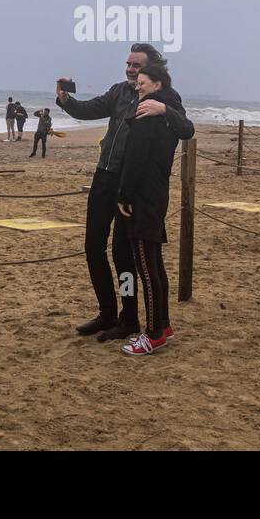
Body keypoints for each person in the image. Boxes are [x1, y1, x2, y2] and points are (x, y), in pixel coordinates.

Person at [57, 43, 194, 341]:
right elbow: (89, 109)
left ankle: (128, 317)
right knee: (93, 247)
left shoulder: (161, 97)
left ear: (151, 70)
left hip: (129, 186)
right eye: (129, 64)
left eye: (137, 66)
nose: (131, 70)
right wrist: (66, 99)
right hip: (104, 177)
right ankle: (106, 312)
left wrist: (164, 109)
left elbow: (185, 128)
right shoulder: (119, 91)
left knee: (123, 255)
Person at [117, 61, 181, 355]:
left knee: (146, 266)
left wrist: (124, 195)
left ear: (157, 84)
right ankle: (163, 325)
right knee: (155, 263)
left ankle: (154, 333)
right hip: (157, 194)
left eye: (142, 82)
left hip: (143, 197)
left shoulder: (148, 113)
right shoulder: (166, 109)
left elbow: (135, 160)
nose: (138, 87)